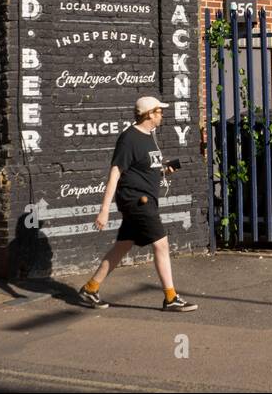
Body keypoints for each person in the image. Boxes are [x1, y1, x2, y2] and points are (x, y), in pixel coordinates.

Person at [77, 96, 198, 312]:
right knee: (161, 243)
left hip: (145, 197)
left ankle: (90, 288)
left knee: (122, 245)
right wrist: (104, 210)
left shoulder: (150, 136)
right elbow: (115, 172)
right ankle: (170, 297)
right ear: (149, 114)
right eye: (159, 111)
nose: (162, 114)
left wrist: (163, 171)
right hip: (136, 200)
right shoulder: (129, 138)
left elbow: (143, 168)